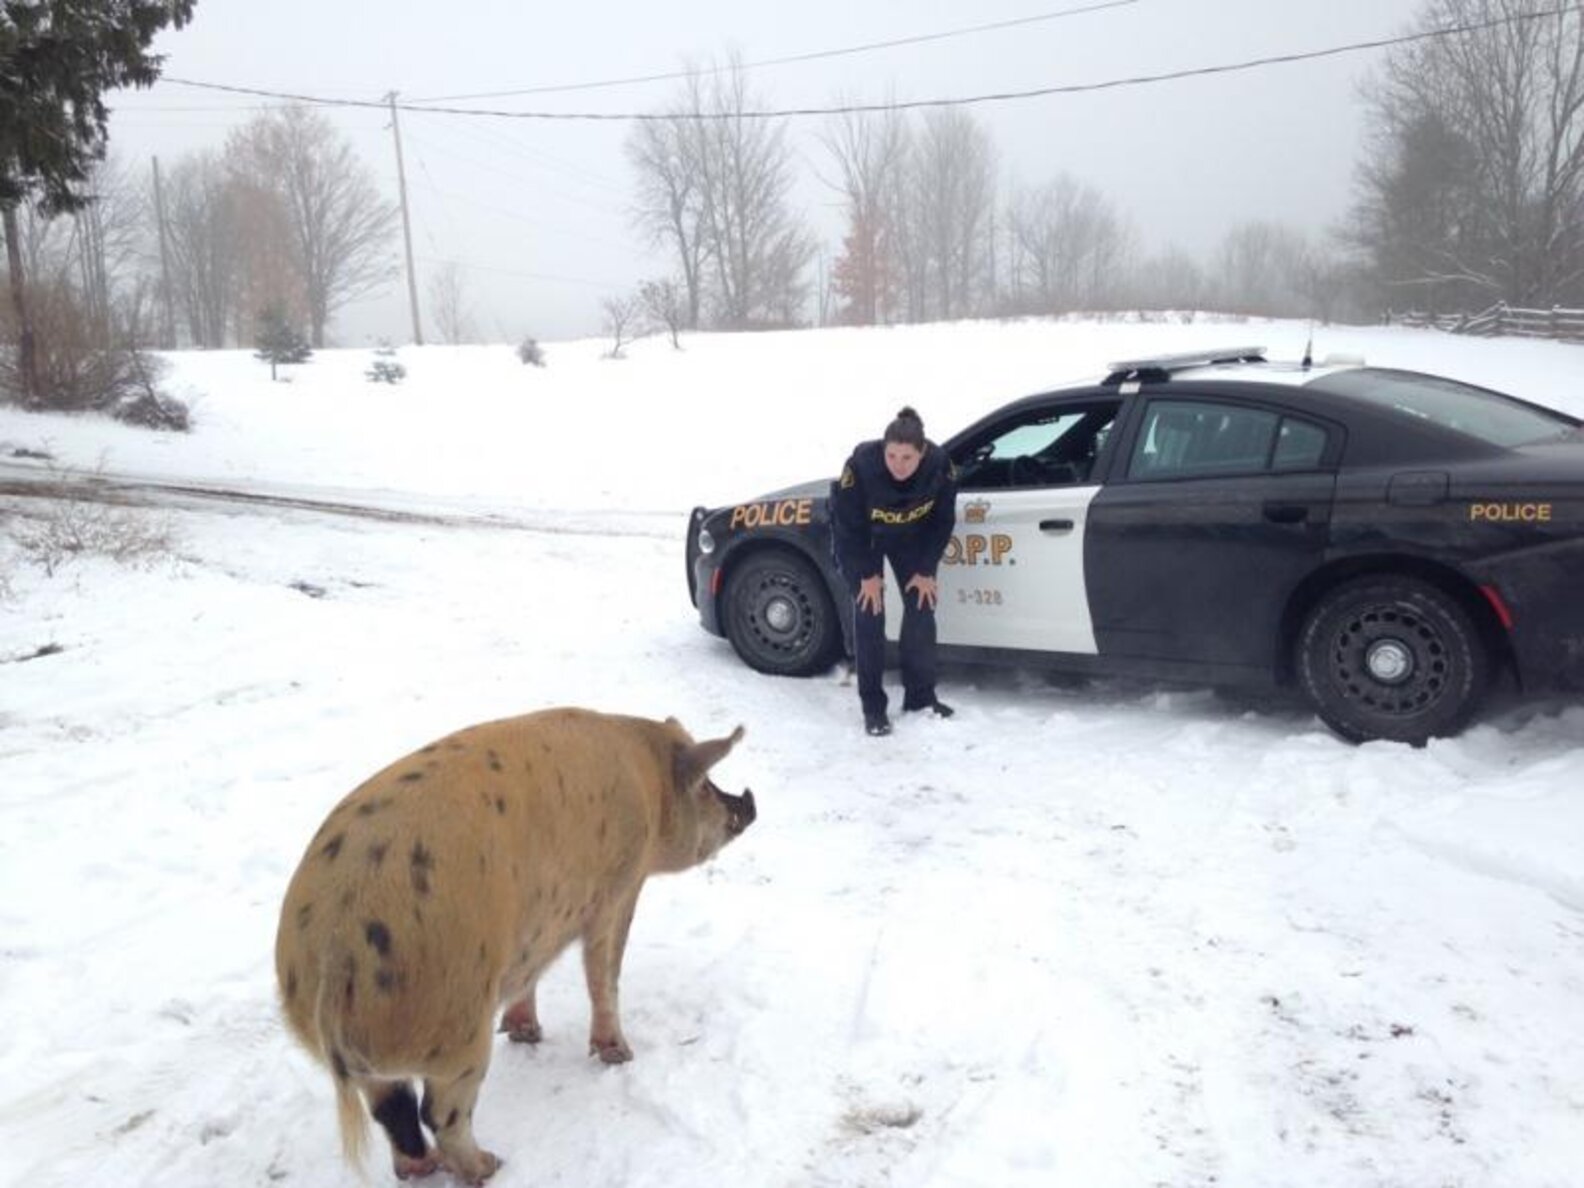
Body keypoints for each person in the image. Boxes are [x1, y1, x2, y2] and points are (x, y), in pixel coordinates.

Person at [831, 406, 958, 736]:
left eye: (907, 458)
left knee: (922, 604)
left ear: (923, 452)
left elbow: (943, 521)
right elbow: (846, 528)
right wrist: (864, 575)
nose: (898, 466)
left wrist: (927, 568)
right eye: (892, 456)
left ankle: (920, 697)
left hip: (911, 537)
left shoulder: (940, 466)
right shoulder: (860, 466)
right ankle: (873, 708)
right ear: (883, 450)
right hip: (866, 540)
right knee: (870, 611)